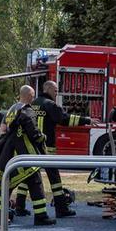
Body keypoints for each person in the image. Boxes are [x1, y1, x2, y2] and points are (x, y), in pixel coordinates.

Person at [0, 85, 56, 226]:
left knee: (7, 184)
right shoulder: (27, 110)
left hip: (10, 153)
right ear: (29, 96)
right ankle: (41, 216)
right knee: (36, 182)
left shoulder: (12, 109)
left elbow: (2, 131)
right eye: (33, 96)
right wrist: (42, 137)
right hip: (25, 153)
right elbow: (33, 131)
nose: (33, 99)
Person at [36, 80, 91, 218]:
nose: (57, 93)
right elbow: (64, 119)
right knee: (55, 179)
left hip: (33, 147)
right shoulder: (50, 104)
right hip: (47, 148)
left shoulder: (33, 103)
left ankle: (19, 206)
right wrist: (86, 120)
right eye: (55, 90)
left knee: (29, 176)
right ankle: (61, 209)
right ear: (48, 89)